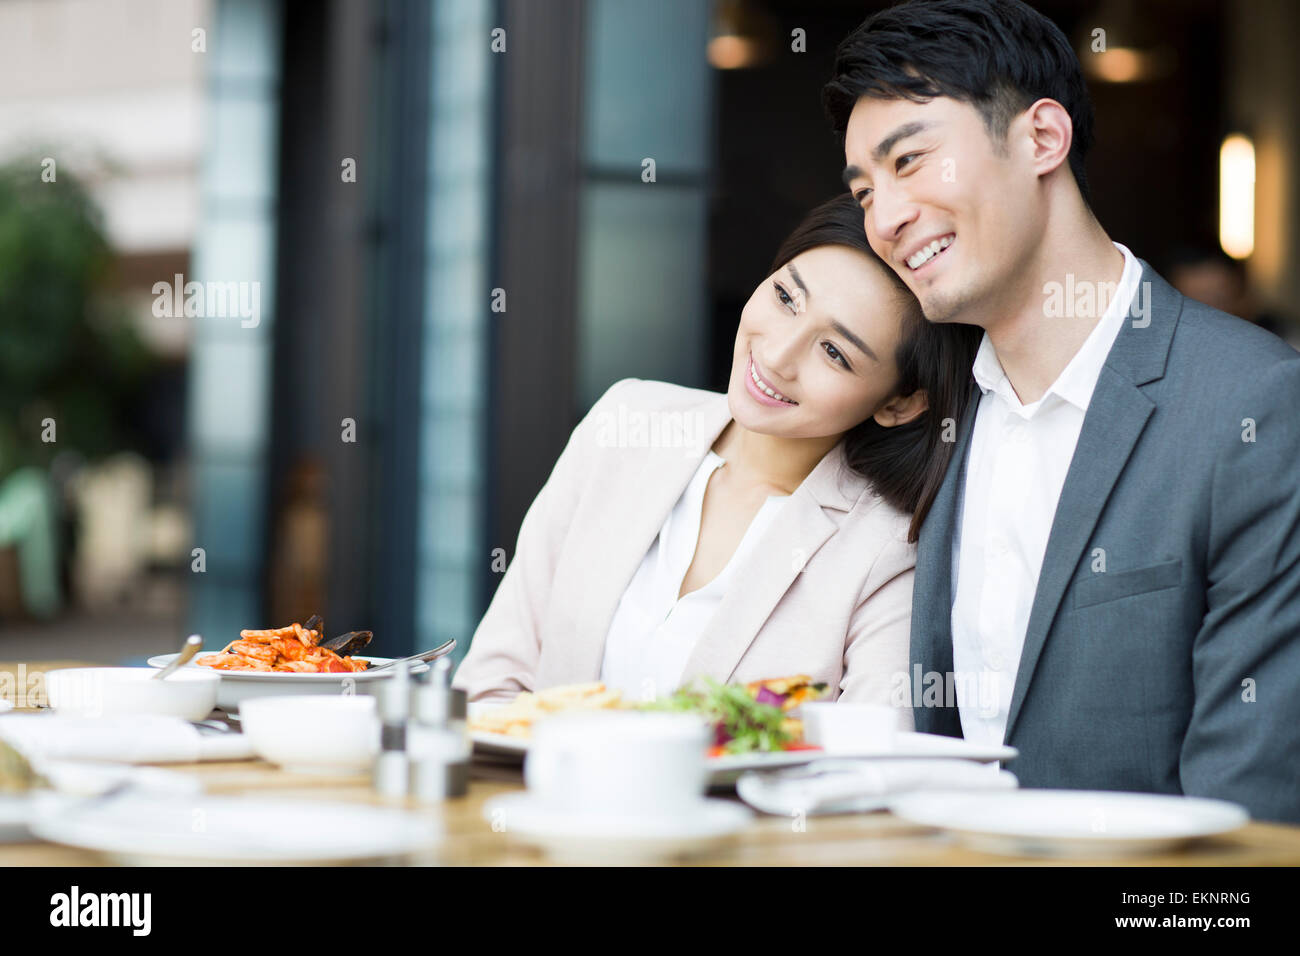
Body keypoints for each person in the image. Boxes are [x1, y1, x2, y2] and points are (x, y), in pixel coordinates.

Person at [825, 0, 1300, 822]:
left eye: (911, 162)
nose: (886, 218)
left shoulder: (1251, 403)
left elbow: (1250, 816)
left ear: (1042, 139)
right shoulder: (930, 416)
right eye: (865, 192)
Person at [454, 196, 980, 715]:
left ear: (899, 402)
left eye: (834, 352)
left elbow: (868, 763)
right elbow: (491, 687)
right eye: (786, 298)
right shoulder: (626, 421)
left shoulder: (888, 551)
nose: (775, 355)